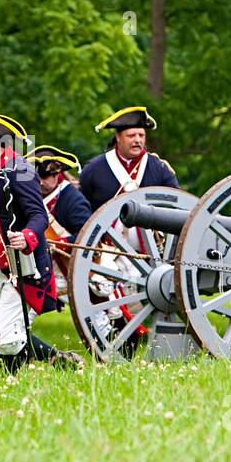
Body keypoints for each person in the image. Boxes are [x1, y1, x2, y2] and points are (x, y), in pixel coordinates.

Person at [0, 114, 83, 373]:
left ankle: (33, 375)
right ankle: (52, 366)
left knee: (8, 339)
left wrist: (27, 236)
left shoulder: (20, 168)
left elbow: (37, 215)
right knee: (2, 337)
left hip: (23, 269)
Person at [77, 106, 180, 358]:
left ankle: (152, 343)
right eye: (132, 136)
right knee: (104, 291)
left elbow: (178, 205)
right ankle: (118, 338)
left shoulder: (158, 168)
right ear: (118, 138)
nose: (137, 141)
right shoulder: (95, 170)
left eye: (141, 136)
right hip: (109, 250)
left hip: (152, 251)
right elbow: (81, 208)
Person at [24, 145, 91, 300]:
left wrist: (61, 243)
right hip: (42, 265)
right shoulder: (31, 196)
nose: (40, 182)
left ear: (56, 174)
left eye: (44, 177)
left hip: (69, 266)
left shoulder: (72, 199)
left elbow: (88, 235)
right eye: (36, 177)